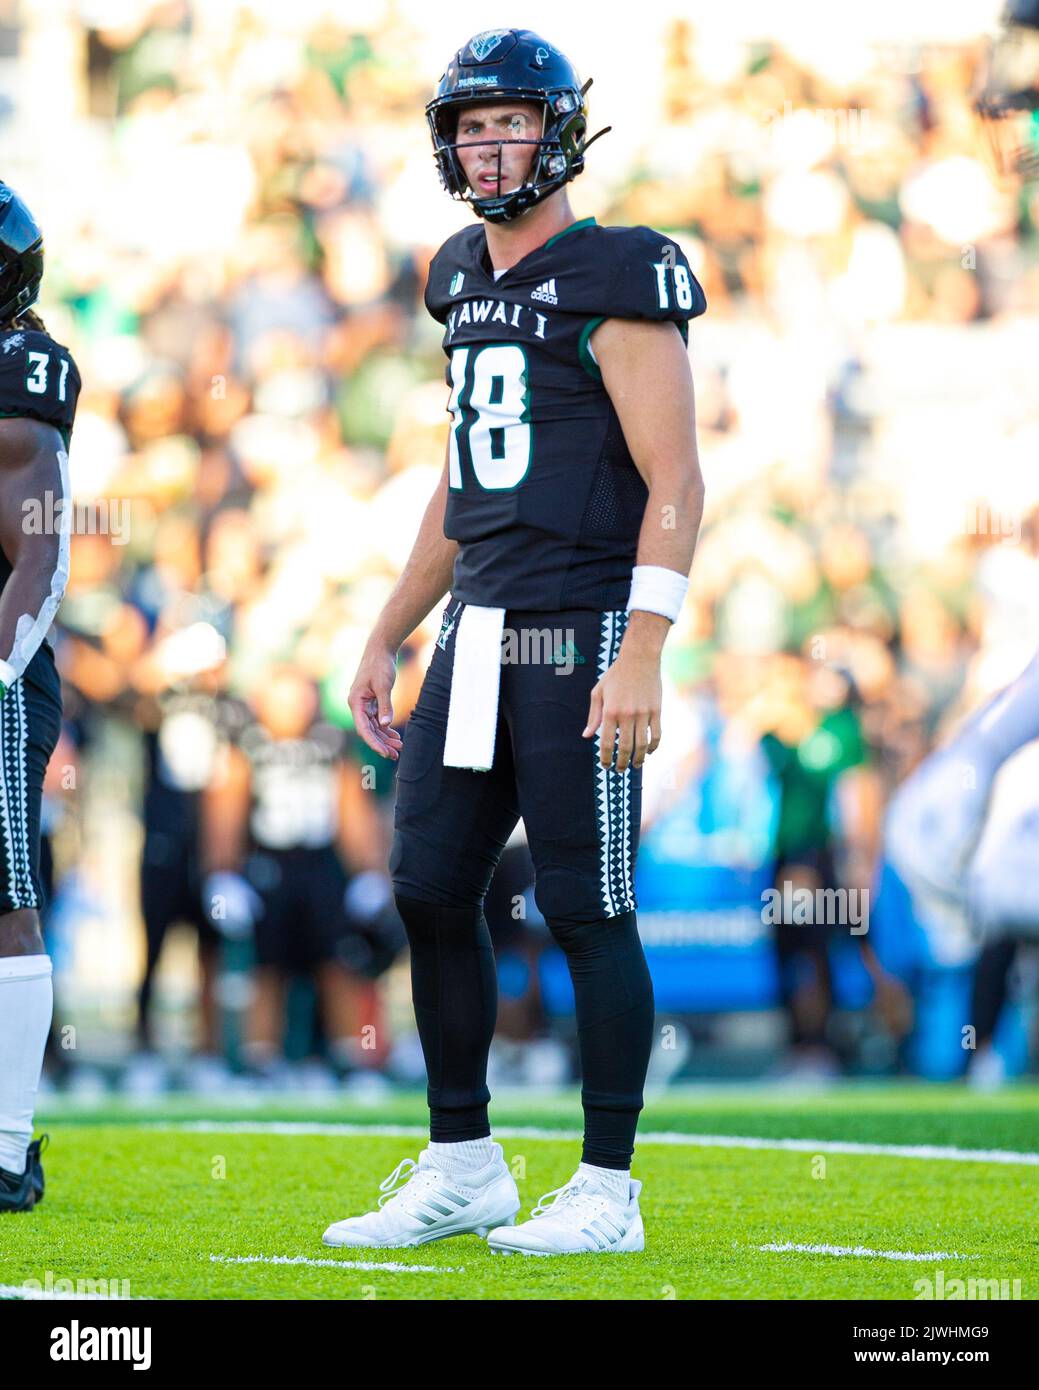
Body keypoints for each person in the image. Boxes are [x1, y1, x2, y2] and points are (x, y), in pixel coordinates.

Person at [323, 28, 706, 1255]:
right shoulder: (455, 277)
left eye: (510, 123)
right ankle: (463, 1161)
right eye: (470, 127)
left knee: (586, 904)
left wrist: (642, 642)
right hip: (478, 626)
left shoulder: (619, 271)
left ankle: (608, 1188)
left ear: (559, 131)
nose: (490, 147)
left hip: (582, 624)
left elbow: (677, 478)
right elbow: (463, 483)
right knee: (430, 886)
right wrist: (390, 627)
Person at [0, 182, 81, 1212]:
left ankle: (9, 1147)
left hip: (2, 674)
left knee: (3, 905)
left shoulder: (19, 370)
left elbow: (42, 553)